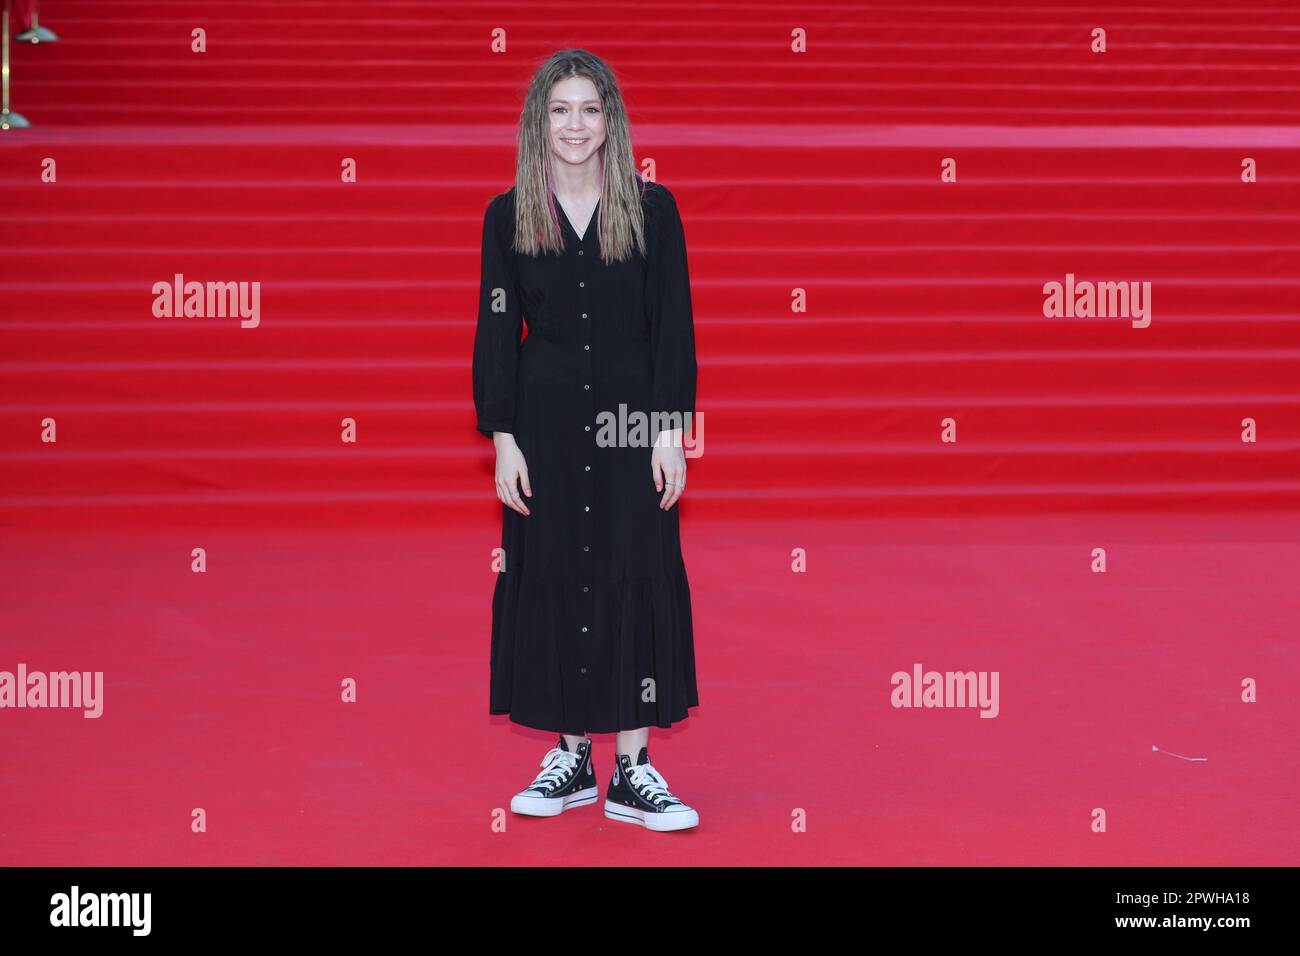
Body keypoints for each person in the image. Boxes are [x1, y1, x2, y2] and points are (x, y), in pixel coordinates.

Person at [471, 49, 700, 832]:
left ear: (612, 123)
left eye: (590, 110)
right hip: (546, 425)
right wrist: (502, 437)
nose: (575, 125)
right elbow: (497, 332)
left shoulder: (653, 208)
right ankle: (570, 756)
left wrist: (672, 433)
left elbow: (673, 328)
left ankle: (632, 770)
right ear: (541, 122)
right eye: (560, 110)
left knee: (635, 571)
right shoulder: (508, 215)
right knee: (559, 572)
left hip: (635, 422)